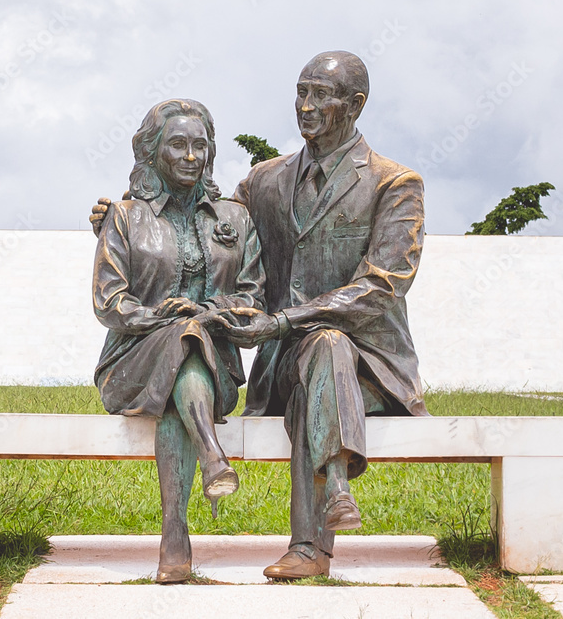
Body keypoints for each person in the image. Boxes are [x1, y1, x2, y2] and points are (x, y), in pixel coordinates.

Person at [91, 52, 428, 581]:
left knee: (330, 345)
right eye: (302, 92)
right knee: (316, 352)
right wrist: (125, 215)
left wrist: (286, 320)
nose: (307, 105)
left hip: (369, 366)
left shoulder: (394, 183)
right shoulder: (264, 182)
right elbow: (202, 219)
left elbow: (383, 285)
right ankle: (331, 496)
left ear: (356, 105)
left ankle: (313, 542)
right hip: (282, 363)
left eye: (322, 95)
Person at [92, 98, 265, 584]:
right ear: (154, 152)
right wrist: (155, 315)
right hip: (131, 364)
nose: (191, 156)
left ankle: (175, 533)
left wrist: (209, 313)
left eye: (200, 146)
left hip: (215, 371)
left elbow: (253, 299)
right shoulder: (124, 217)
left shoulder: (235, 218)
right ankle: (211, 459)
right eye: (178, 145)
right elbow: (108, 303)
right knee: (180, 334)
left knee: (188, 341)